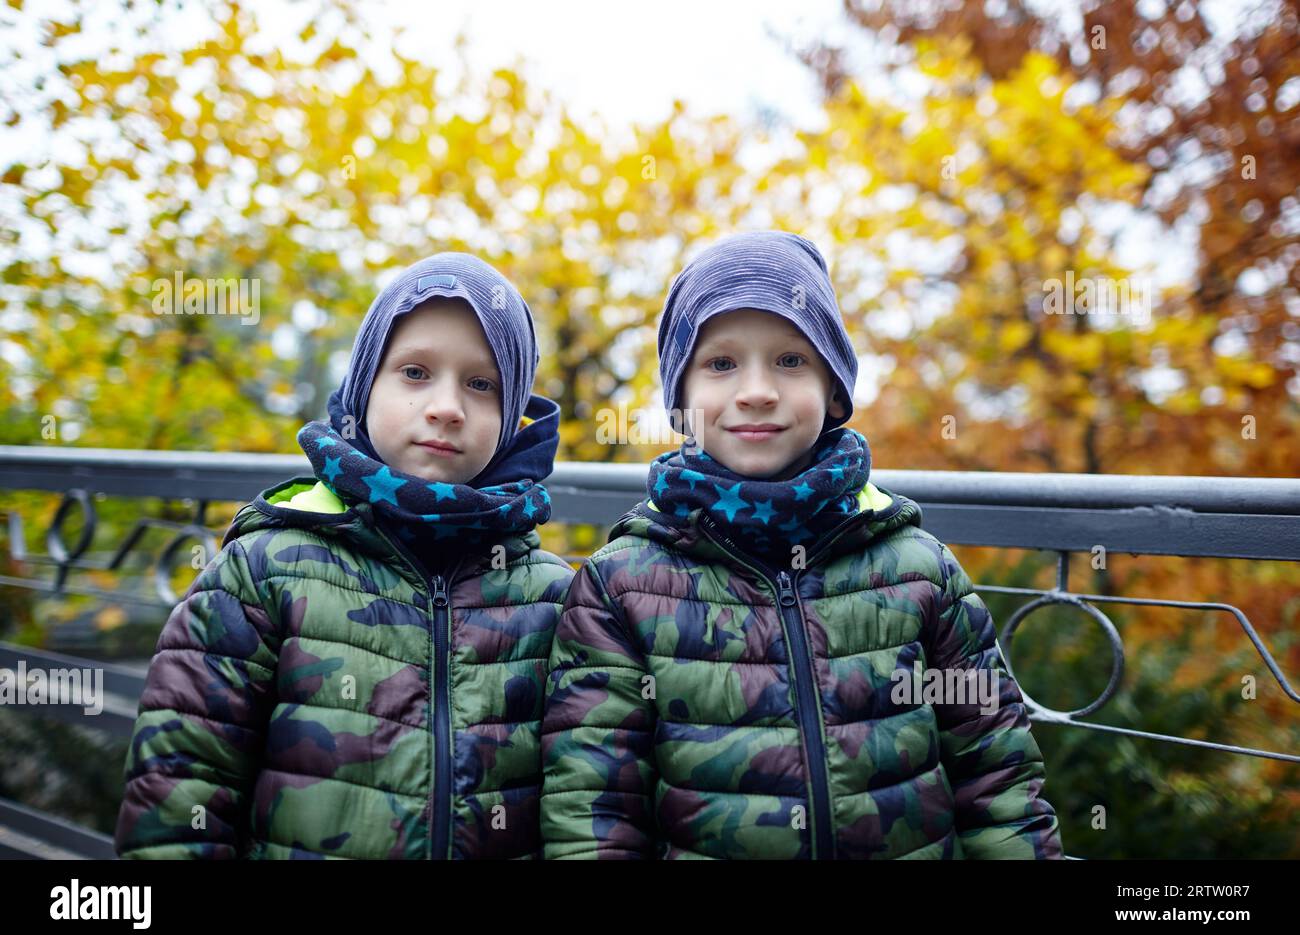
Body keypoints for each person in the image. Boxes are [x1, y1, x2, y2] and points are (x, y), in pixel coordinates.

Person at [540, 230, 1063, 859]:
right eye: (721, 363)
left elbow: (999, 778)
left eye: (790, 360)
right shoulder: (621, 585)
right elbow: (595, 812)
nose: (757, 390)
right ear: (680, 402)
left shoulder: (919, 569)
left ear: (835, 390)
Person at [115, 252, 574, 859]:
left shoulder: (553, 595)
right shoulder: (264, 570)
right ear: (364, 388)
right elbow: (180, 794)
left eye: (481, 383)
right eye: (414, 372)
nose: (446, 406)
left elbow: (582, 800)